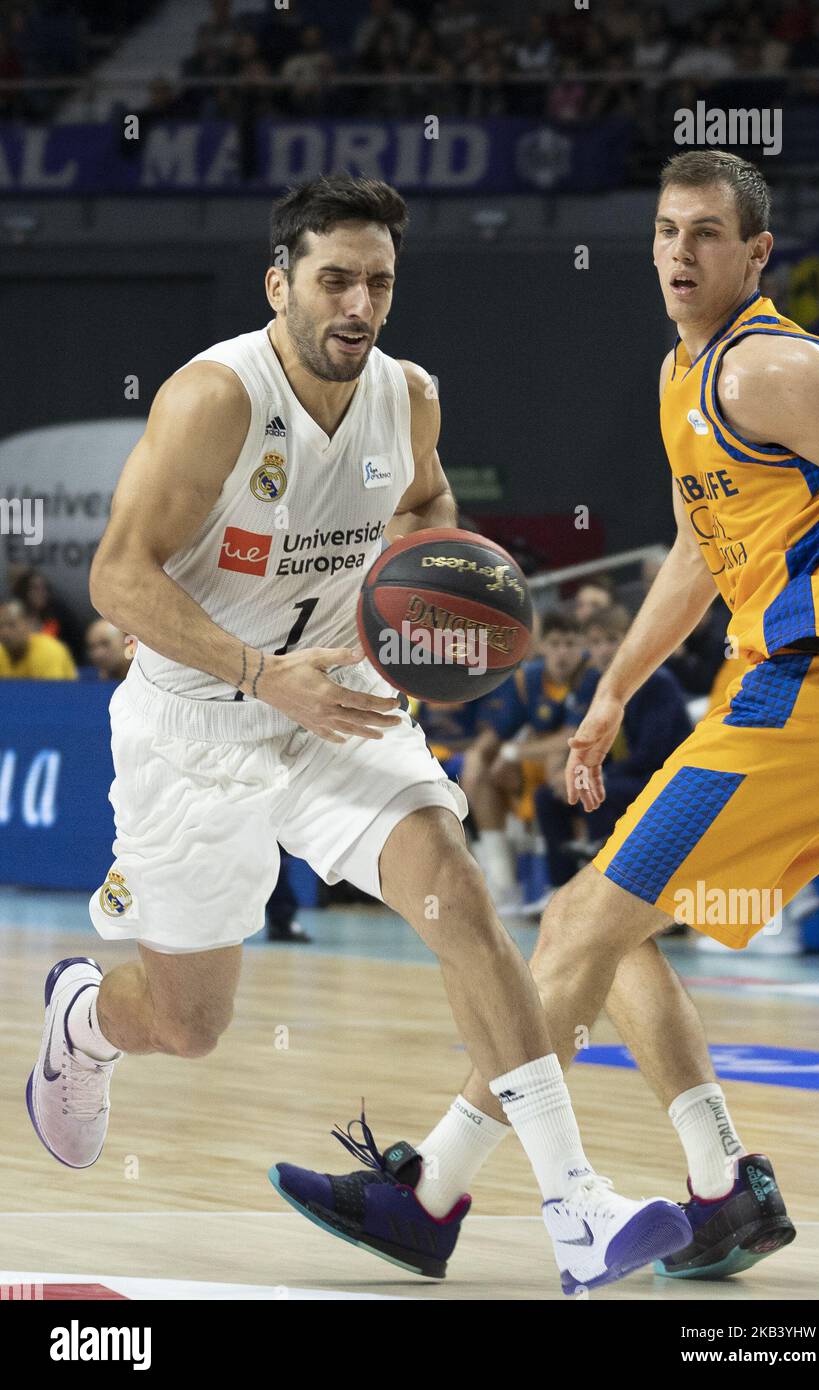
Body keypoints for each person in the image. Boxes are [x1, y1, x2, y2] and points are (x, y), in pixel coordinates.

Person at [25, 174, 688, 1297]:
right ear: (279, 282)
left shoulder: (408, 396)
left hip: (344, 706)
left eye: (378, 280)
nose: (358, 302)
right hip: (198, 727)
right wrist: (253, 670)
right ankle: (86, 1020)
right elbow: (113, 575)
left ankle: (574, 1202)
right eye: (334, 277)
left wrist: (427, 590)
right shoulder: (212, 401)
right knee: (188, 1025)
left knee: (461, 901)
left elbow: (426, 507)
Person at [301, 149, 819, 1283]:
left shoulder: (767, 367)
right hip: (777, 689)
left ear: (756, 255)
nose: (677, 253)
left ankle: (431, 1194)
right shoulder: (680, 380)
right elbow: (698, 560)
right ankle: (721, 1191)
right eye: (664, 231)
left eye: (705, 233)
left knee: (572, 928)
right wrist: (608, 693)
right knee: (604, 926)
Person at [534, 605, 692, 892]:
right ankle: (560, 889)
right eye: (595, 643)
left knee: (599, 792)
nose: (604, 650)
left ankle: (605, 887)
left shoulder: (658, 681)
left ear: (630, 640)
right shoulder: (591, 683)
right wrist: (570, 772)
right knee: (547, 797)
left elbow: (651, 755)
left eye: (611, 640)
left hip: (662, 776)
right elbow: (578, 737)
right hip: (617, 773)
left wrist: (596, 775)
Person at [461, 609, 585, 910]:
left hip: (580, 767)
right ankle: (503, 886)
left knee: (557, 760)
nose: (562, 653)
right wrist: (478, 758)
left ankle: (571, 887)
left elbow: (572, 737)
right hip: (535, 772)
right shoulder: (527, 680)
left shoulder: (589, 677)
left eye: (569, 644)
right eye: (555, 644)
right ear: (542, 647)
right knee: (480, 774)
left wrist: (513, 753)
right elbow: (497, 734)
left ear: (581, 647)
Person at [0, 599, 77, 678]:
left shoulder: (48, 651)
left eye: (11, 625)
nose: (4, 632)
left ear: (28, 624)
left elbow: (53, 690)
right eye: (0, 626)